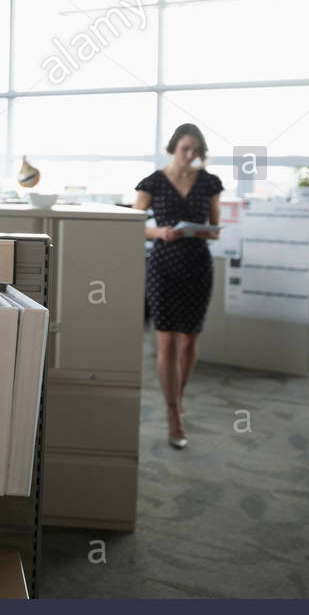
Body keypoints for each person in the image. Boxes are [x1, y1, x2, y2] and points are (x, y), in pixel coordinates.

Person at [133, 123, 223, 450]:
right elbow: (133, 224)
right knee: (166, 341)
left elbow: (215, 229)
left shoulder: (209, 183)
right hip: (163, 266)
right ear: (174, 147)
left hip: (197, 265)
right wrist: (160, 232)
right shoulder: (154, 182)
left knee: (188, 341)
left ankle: (178, 396)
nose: (191, 155)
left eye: (196, 151)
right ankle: (174, 414)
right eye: (186, 149)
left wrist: (198, 231)